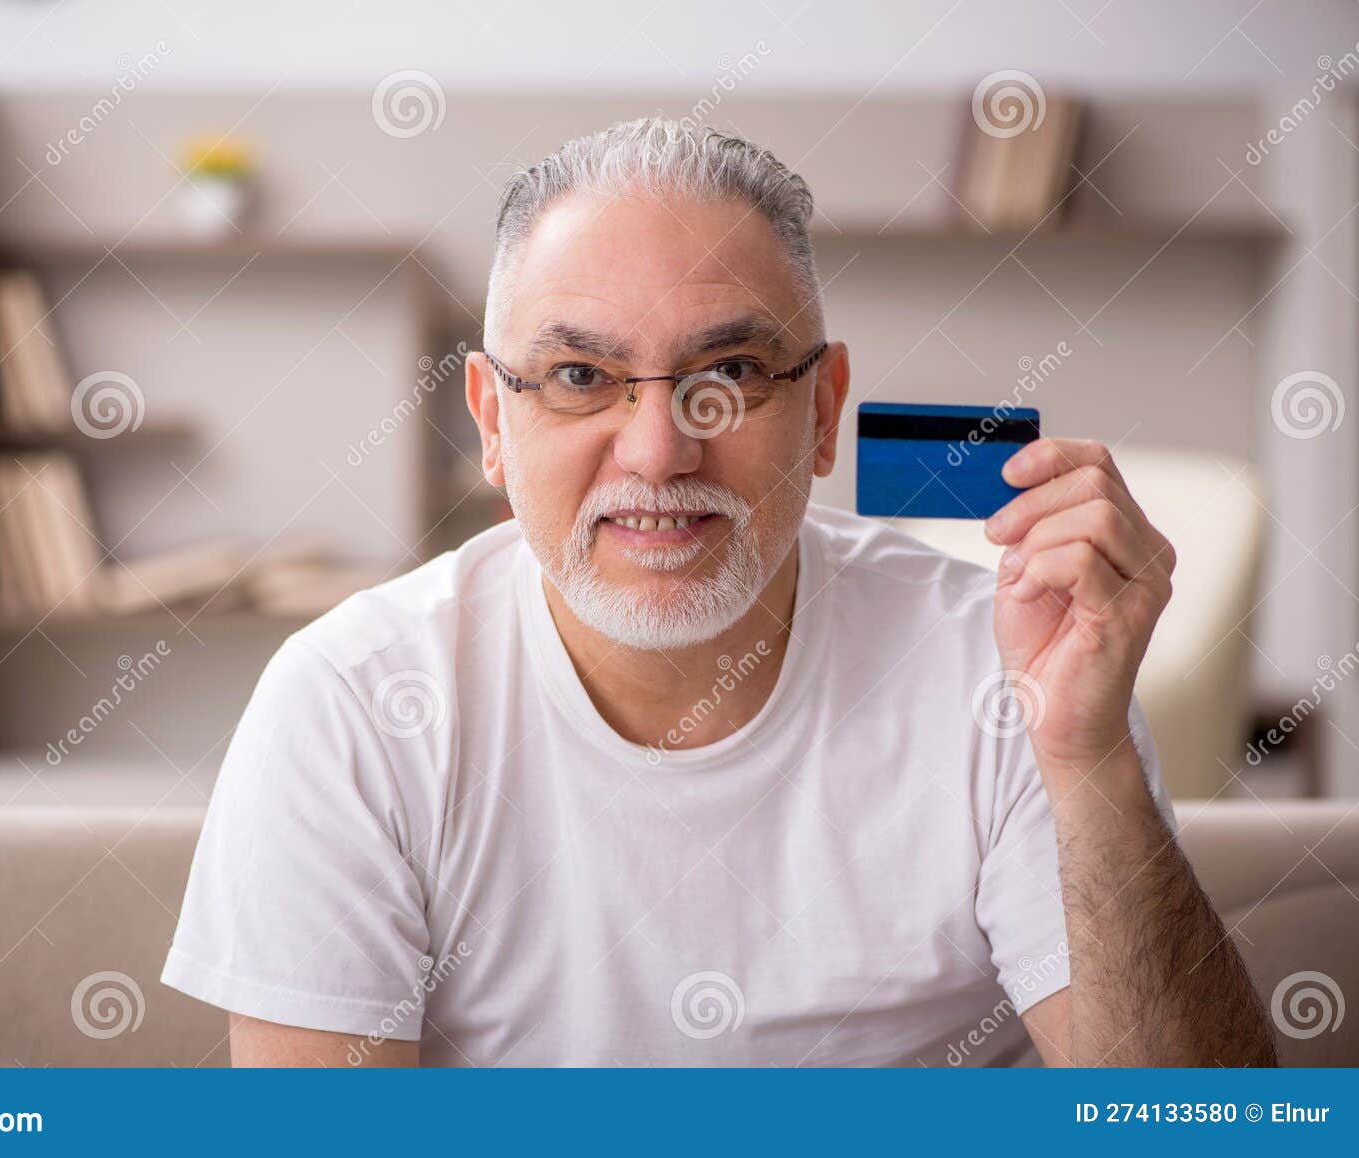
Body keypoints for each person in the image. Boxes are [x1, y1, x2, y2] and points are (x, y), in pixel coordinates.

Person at [161, 117, 1275, 1067]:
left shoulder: (1002, 665)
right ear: (493, 422)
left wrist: (1087, 762)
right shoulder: (350, 704)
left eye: (731, 375)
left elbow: (1192, 1128)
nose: (657, 450)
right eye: (579, 378)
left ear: (824, 409)